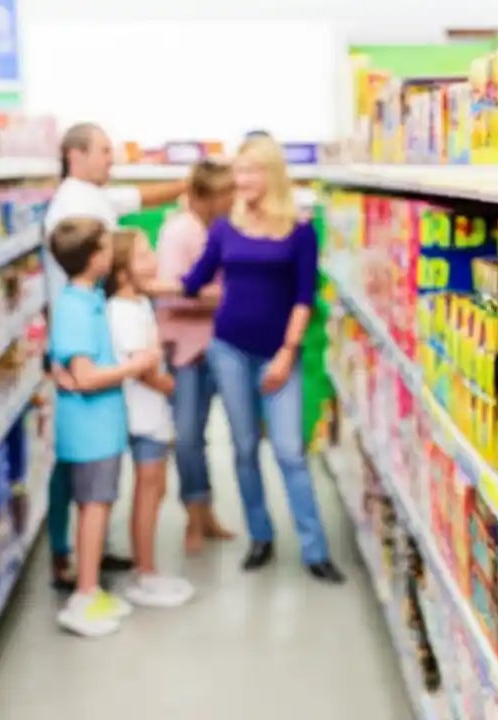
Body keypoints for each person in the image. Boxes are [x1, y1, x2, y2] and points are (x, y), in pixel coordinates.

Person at [152, 135, 344, 584]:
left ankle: (315, 549)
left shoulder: (299, 229)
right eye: (238, 172)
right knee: (241, 449)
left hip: (279, 353)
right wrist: (139, 283)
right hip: (228, 350)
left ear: (272, 174)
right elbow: (194, 281)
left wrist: (286, 355)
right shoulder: (224, 229)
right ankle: (260, 536)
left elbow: (303, 298)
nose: (241, 181)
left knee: (289, 452)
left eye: (250, 171)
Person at [45, 122, 187, 590]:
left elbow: (140, 198)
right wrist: (140, 367)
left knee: (93, 485)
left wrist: (190, 182)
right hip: (81, 364)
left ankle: (88, 556)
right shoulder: (72, 209)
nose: (112, 158)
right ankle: (71, 561)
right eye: (104, 151)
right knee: (82, 480)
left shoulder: (95, 198)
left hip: (92, 368)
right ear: (75, 155)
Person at [47, 218, 158, 637]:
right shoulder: (76, 307)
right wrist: (138, 365)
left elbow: (70, 366)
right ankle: (86, 592)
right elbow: (88, 376)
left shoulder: (87, 298)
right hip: (90, 430)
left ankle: (90, 588)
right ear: (95, 258)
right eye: (107, 248)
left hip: (101, 427)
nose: (113, 254)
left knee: (101, 504)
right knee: (93, 508)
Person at [105, 229, 196, 607]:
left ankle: (146, 566)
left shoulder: (137, 302)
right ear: (122, 272)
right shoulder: (122, 311)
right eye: (142, 257)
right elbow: (139, 367)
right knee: (149, 488)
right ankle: (145, 571)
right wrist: (167, 385)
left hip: (148, 412)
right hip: (142, 413)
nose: (152, 261)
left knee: (154, 490)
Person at [155, 162, 237, 554]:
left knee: (220, 435)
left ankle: (207, 514)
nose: (231, 200)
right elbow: (170, 293)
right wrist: (226, 298)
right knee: (187, 436)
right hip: (186, 348)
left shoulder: (225, 226)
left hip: (222, 344)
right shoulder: (179, 231)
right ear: (203, 196)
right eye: (223, 194)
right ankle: (194, 515)